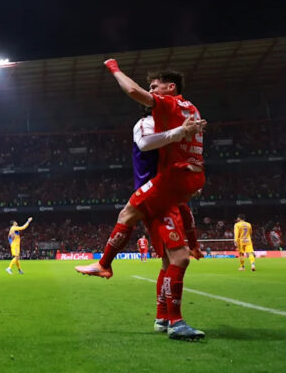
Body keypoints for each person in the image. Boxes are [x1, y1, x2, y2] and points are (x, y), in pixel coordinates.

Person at [76, 62, 205, 279]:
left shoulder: (164, 113)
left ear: (171, 87)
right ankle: (168, 313)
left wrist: (114, 68)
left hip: (166, 182)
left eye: (155, 87)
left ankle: (105, 264)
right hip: (183, 177)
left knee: (129, 215)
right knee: (175, 257)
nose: (152, 91)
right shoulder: (190, 111)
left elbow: (135, 92)